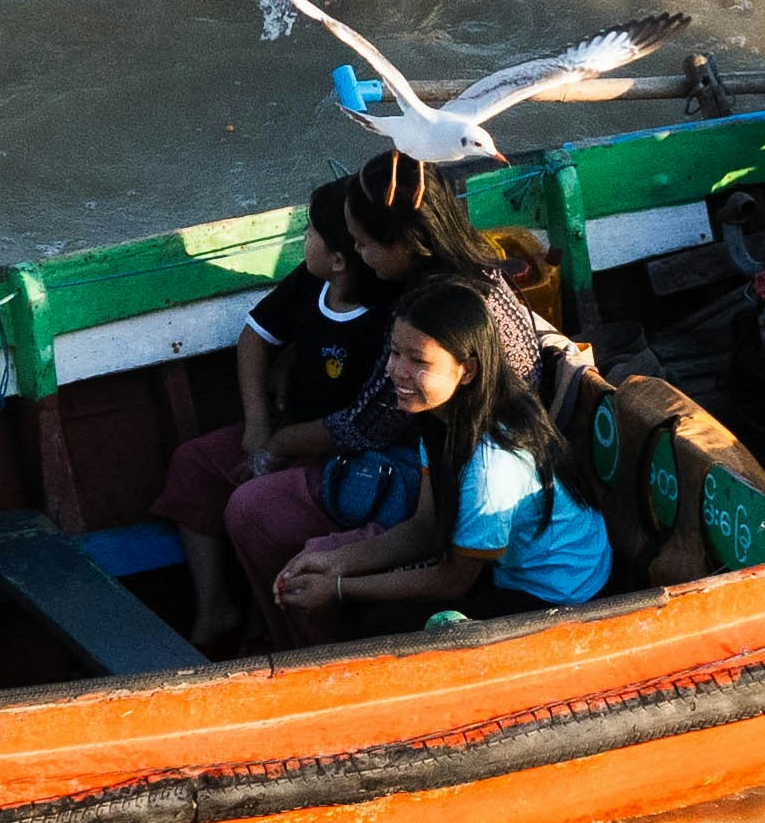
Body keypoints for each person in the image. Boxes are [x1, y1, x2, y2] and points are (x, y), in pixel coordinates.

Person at [157, 166, 425, 652]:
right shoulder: (310, 282)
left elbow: (365, 426)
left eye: (310, 234)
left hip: (343, 455)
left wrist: (277, 449)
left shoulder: (389, 319)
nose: (303, 241)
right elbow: (255, 338)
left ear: (342, 258)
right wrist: (258, 426)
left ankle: (287, 635)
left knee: (256, 506)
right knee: (194, 464)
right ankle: (215, 608)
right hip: (288, 427)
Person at [264, 275, 617, 638]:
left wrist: (339, 588)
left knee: (378, 625)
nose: (395, 371)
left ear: (467, 371)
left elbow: (453, 582)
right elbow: (425, 528)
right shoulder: (440, 419)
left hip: (562, 603)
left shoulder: (493, 465)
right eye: (395, 352)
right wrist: (333, 564)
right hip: (505, 572)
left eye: (418, 360)